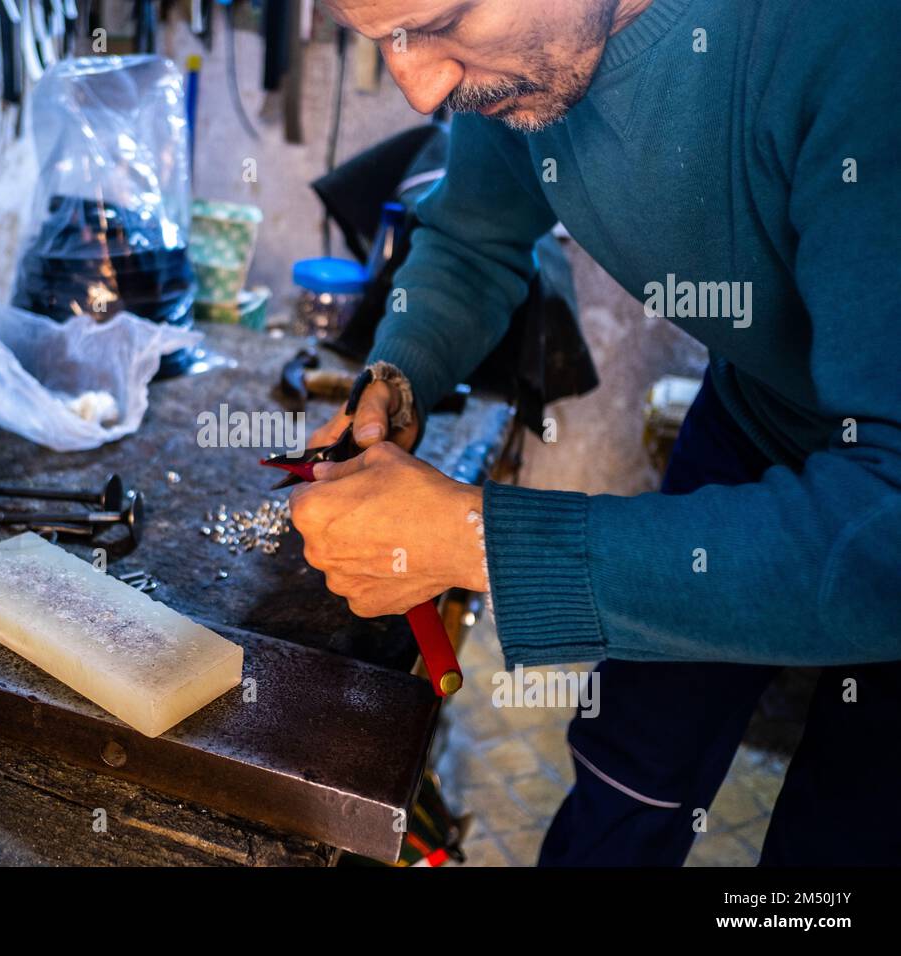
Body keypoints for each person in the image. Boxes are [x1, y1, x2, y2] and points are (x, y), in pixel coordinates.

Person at [290, 0, 901, 865]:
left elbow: (884, 543)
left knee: (843, 838)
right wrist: (400, 372)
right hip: (761, 411)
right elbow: (472, 235)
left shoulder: (862, 44)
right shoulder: (522, 69)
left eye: (441, 19)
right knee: (631, 763)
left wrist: (478, 541)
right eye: (385, 36)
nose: (419, 88)